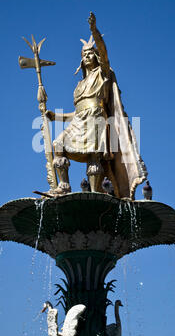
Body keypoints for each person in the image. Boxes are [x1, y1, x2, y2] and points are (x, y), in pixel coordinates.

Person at [46, 13, 147, 198]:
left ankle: (94, 192)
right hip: (81, 119)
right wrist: (56, 117)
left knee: (93, 156)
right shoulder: (79, 86)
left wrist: (94, 31)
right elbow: (77, 113)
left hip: (96, 118)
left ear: (97, 55)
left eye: (90, 53)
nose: (87, 56)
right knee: (58, 143)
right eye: (84, 54)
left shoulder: (103, 73)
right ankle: (64, 186)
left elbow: (104, 51)